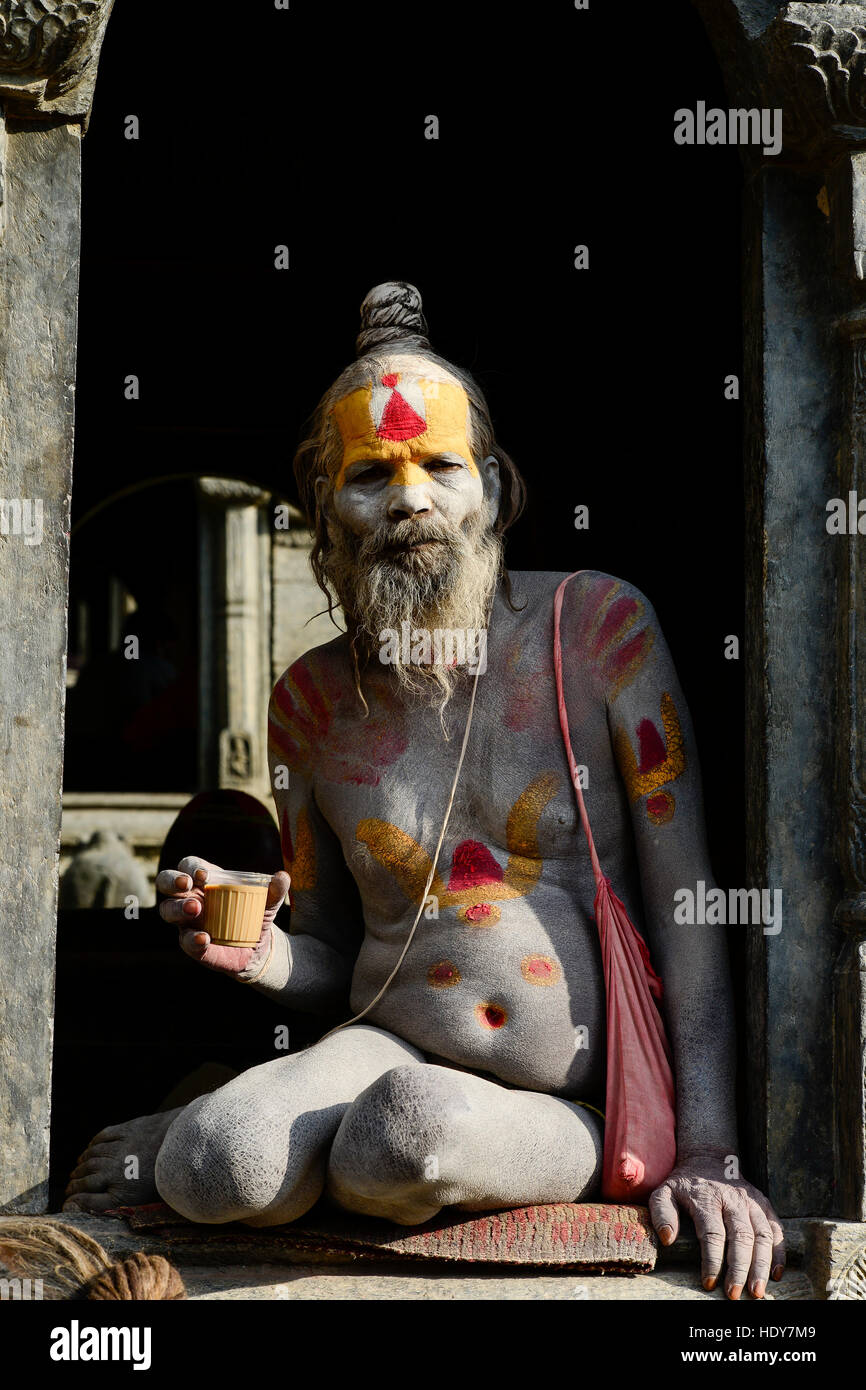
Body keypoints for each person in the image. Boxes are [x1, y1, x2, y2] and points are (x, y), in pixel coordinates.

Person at [66, 282, 784, 1300]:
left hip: (564, 1090)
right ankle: (212, 1121)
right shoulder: (308, 702)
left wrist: (709, 1151)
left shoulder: (599, 632)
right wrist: (261, 954)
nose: (408, 498)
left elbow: (687, 901)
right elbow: (326, 952)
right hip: (378, 1036)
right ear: (326, 505)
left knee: (406, 1130)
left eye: (438, 465)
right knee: (214, 1160)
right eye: (370, 474)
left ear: (489, 484)